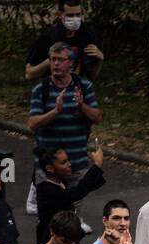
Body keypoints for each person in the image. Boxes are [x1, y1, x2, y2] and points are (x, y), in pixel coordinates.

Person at [27, 42, 102, 186]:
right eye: (53, 59)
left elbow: (97, 117)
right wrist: (55, 111)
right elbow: (32, 124)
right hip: (48, 169)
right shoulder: (41, 89)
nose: (55, 64)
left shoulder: (84, 86)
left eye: (60, 60)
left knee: (74, 208)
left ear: (71, 63)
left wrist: (82, 106)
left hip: (76, 164)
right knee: (49, 208)